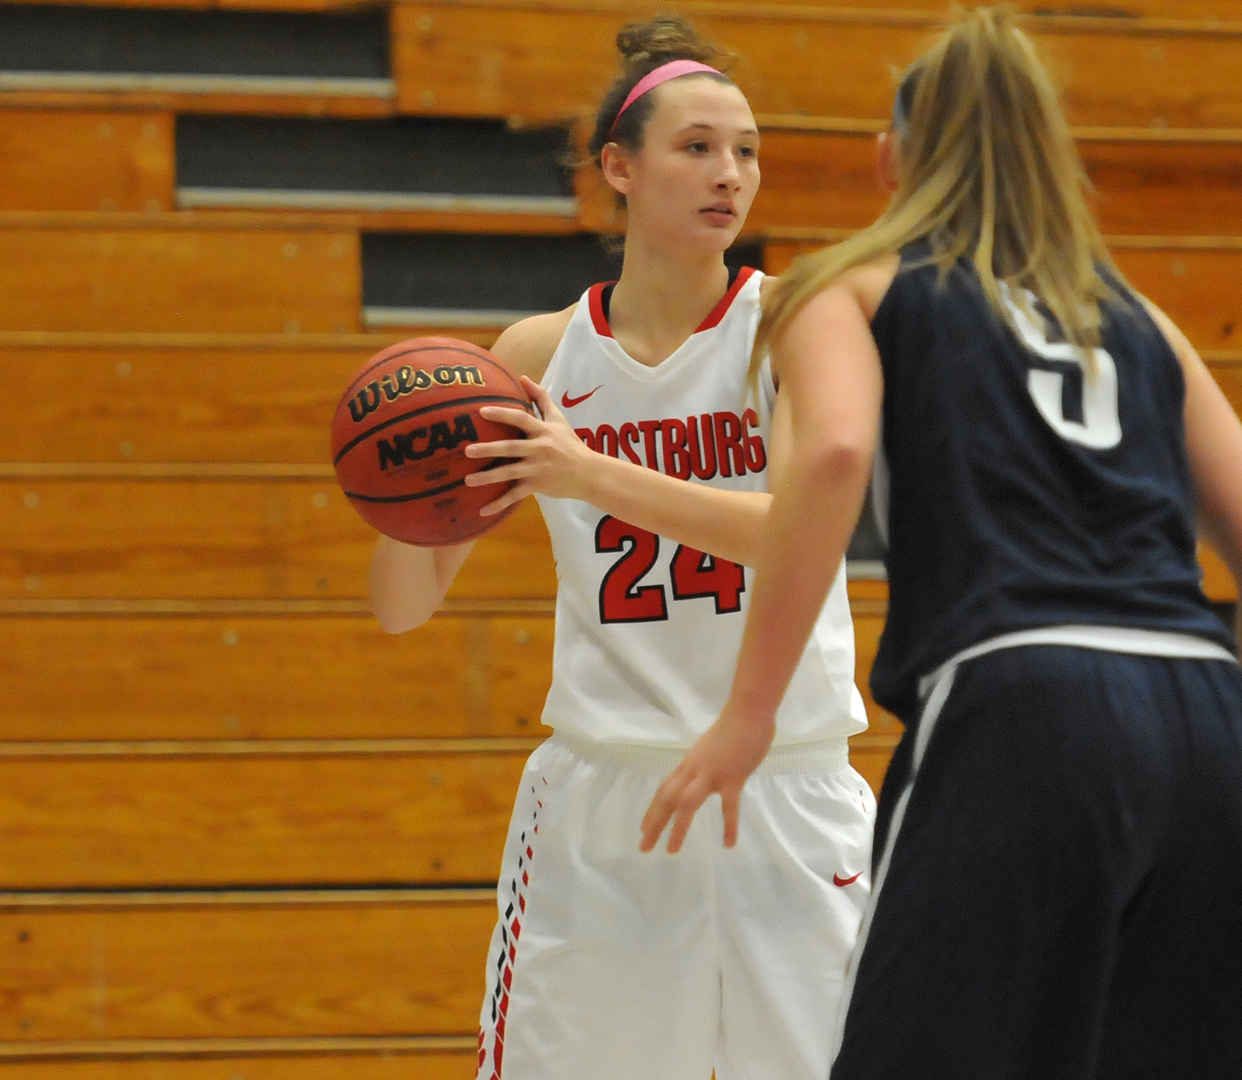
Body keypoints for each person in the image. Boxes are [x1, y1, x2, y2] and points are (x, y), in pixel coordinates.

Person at [640, 7, 1242, 1078]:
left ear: (890, 160)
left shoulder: (852, 284)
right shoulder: (1136, 317)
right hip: (1208, 723)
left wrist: (749, 713)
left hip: (1025, 700)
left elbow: (826, 465)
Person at [367, 15, 874, 1080]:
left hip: (784, 787)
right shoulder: (537, 357)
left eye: (746, 150)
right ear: (619, 167)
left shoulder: (797, 325)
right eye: (696, 147)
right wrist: (400, 487)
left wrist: (588, 471)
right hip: (608, 799)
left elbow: (797, 537)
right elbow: (406, 605)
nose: (730, 173)